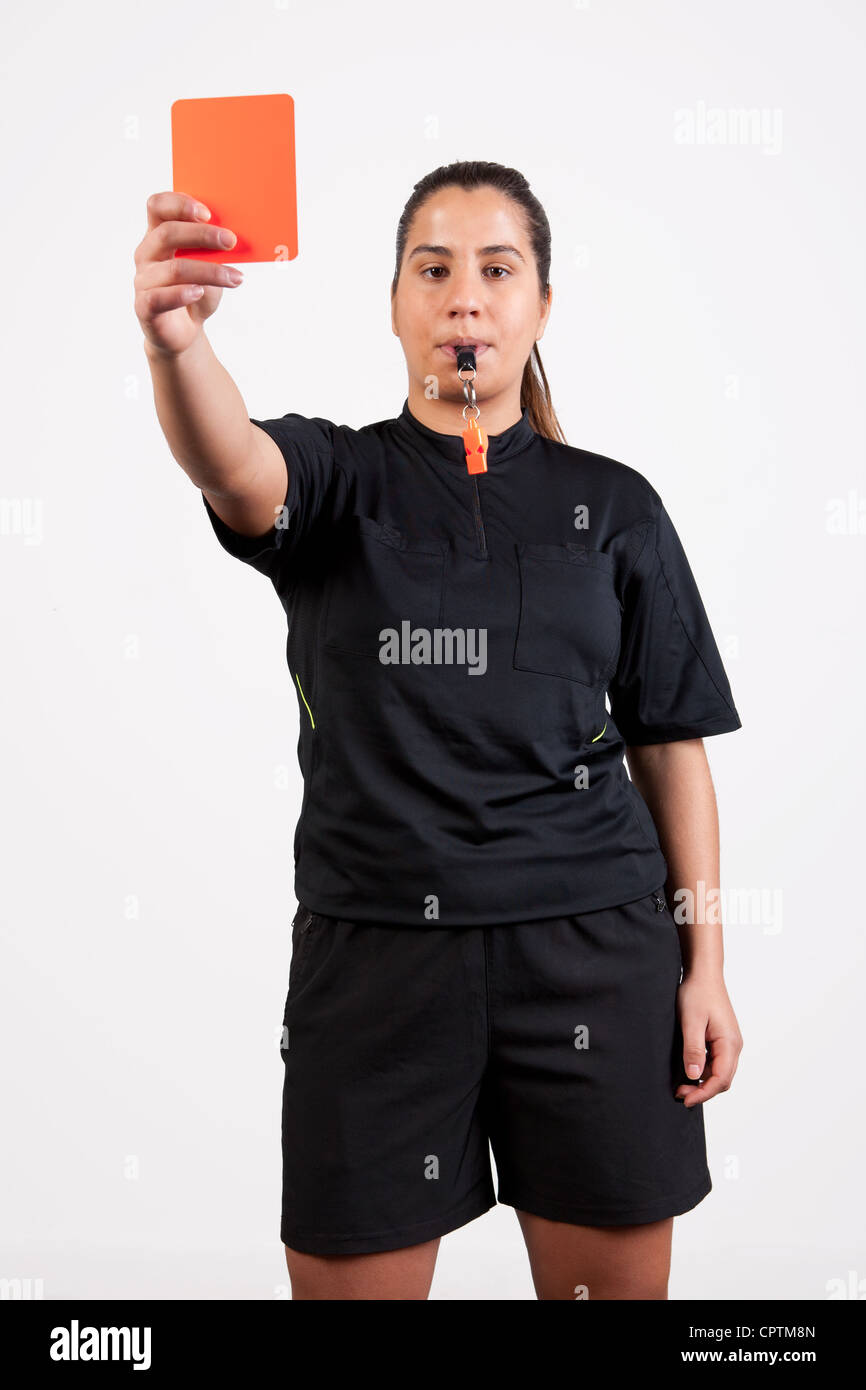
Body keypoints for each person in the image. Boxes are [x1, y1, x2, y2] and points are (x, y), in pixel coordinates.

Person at [134, 160, 744, 1301]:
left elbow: (670, 747)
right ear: (397, 302)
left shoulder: (614, 506)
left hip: (591, 962)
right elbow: (231, 461)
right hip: (375, 969)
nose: (464, 296)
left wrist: (704, 963)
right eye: (434, 268)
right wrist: (175, 342)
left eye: (496, 269)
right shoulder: (333, 479)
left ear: (539, 306)